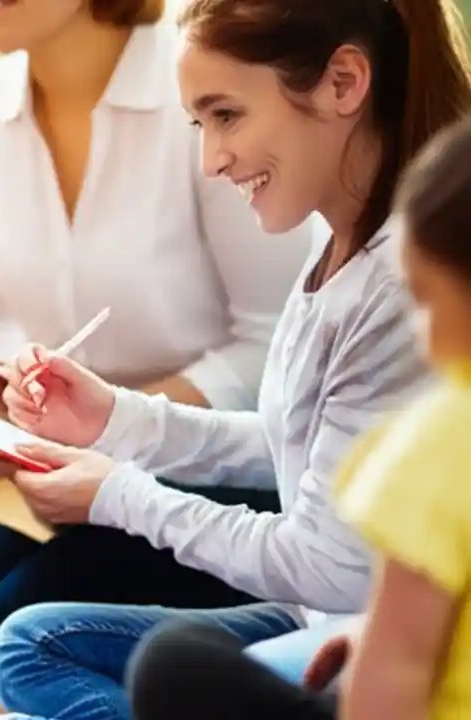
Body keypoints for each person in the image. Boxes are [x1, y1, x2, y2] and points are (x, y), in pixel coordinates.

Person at [0, 0, 471, 717]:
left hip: (356, 640)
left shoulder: (405, 287)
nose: (211, 161)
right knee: (28, 644)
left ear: (343, 83)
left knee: (164, 668)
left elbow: (324, 565)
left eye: (227, 116)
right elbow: (295, 441)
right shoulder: (332, 243)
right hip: (307, 620)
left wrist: (120, 495)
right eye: (199, 124)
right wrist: (115, 419)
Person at [0, 0, 313, 689]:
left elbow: (275, 347)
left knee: (7, 620)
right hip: (82, 475)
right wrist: (5, 419)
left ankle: (281, 622)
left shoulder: (205, 93)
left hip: (222, 478)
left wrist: (107, 425)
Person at [127, 113, 471, 720]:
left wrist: (118, 493)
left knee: (174, 662)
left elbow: (398, 663)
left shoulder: (434, 448)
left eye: (421, 302)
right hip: (328, 619)